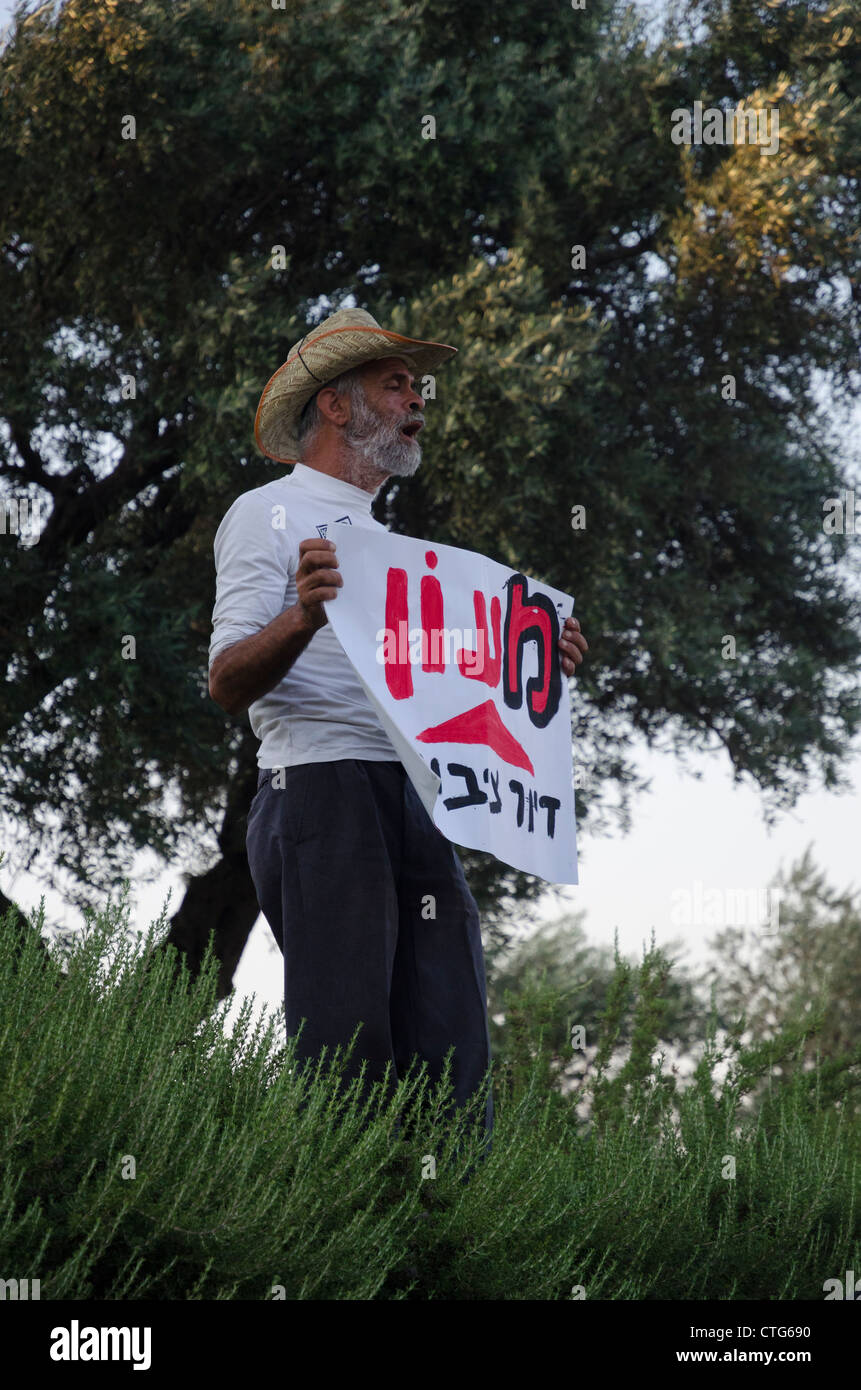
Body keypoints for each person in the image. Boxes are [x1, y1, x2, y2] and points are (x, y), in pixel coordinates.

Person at [208, 307, 588, 1150]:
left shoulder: (395, 555)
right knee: (345, 1057)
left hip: (415, 803)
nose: (417, 400)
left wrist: (532, 657)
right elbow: (227, 680)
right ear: (337, 406)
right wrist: (303, 615)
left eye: (416, 386)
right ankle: (340, 1250)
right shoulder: (266, 515)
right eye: (397, 384)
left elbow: (459, 693)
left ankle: (441, 1249)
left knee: (453, 1057)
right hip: (317, 790)